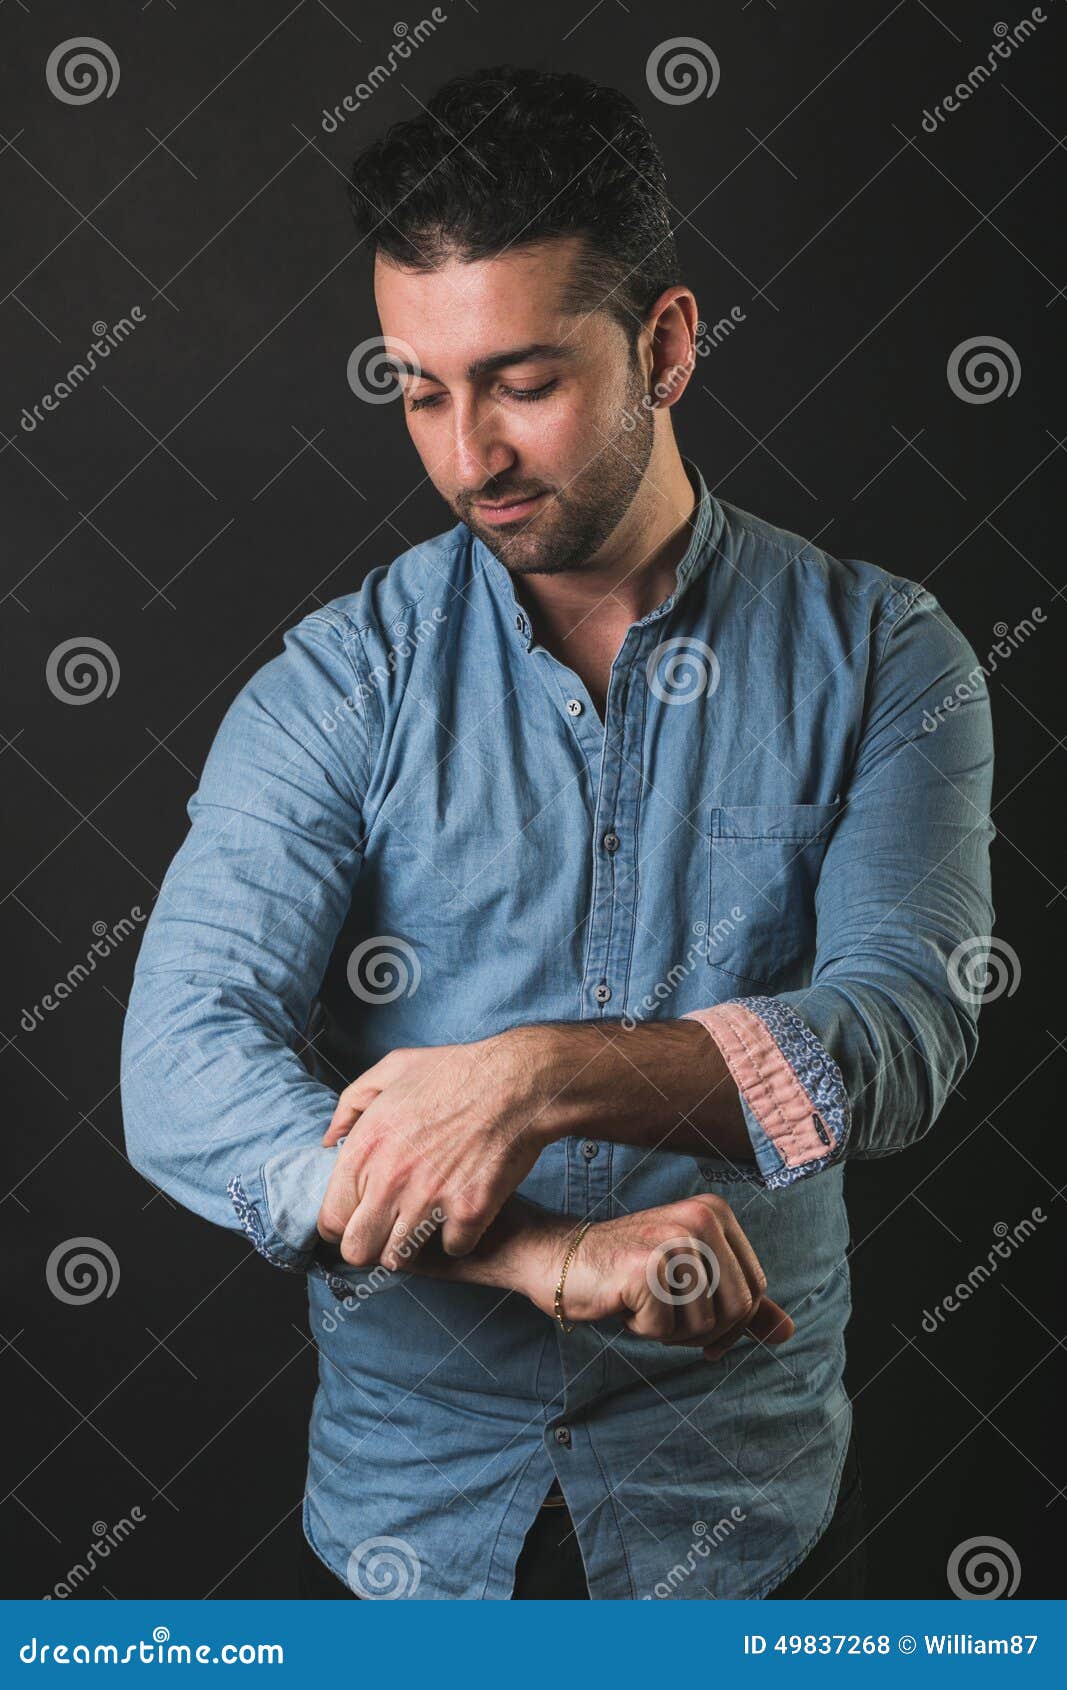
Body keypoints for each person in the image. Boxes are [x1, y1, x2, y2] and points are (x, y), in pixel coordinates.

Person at [121, 65, 994, 1601]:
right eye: (420, 390)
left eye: (522, 382)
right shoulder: (343, 680)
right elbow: (180, 1066)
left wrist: (541, 1076)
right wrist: (543, 1250)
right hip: (413, 1529)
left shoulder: (885, 655)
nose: (470, 456)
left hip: (745, 1519)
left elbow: (905, 1032)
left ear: (666, 344)